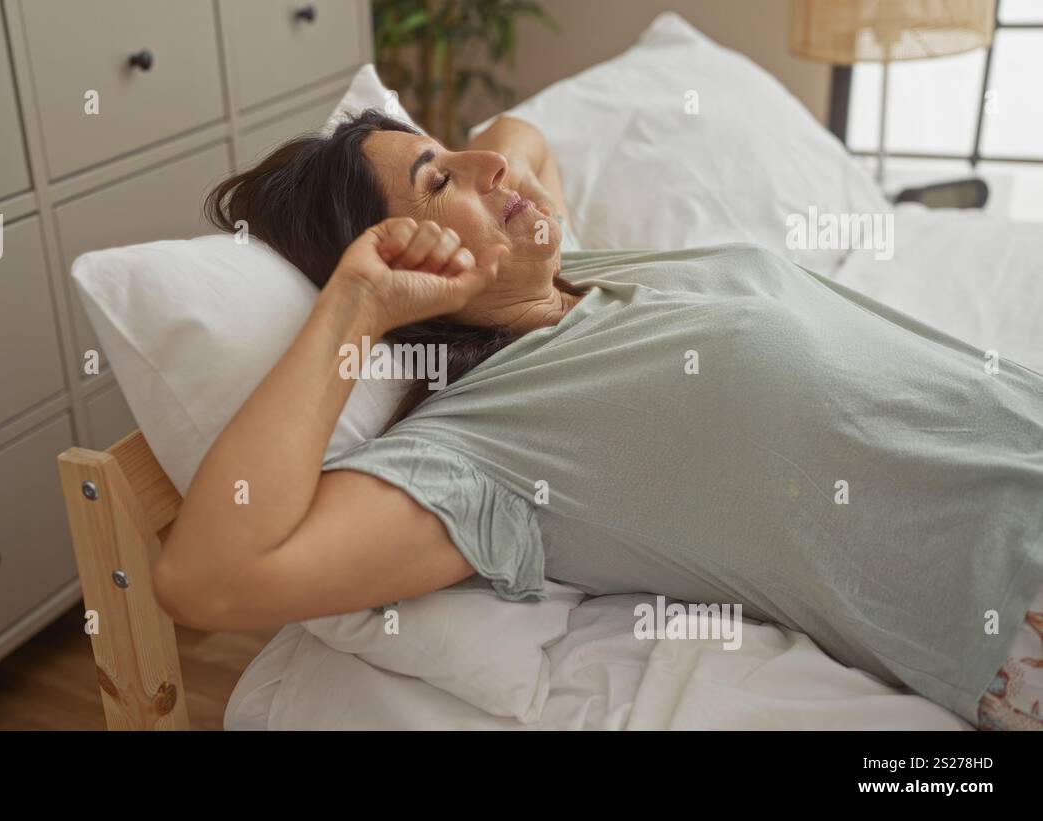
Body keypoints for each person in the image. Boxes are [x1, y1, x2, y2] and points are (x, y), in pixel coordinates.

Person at [153, 109, 1043, 730]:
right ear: (405, 263)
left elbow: (519, 142)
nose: (488, 167)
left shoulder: (580, 270)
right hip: (1014, 601)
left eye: (453, 150)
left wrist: (453, 169)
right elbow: (210, 580)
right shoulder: (490, 443)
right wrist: (354, 305)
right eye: (438, 183)